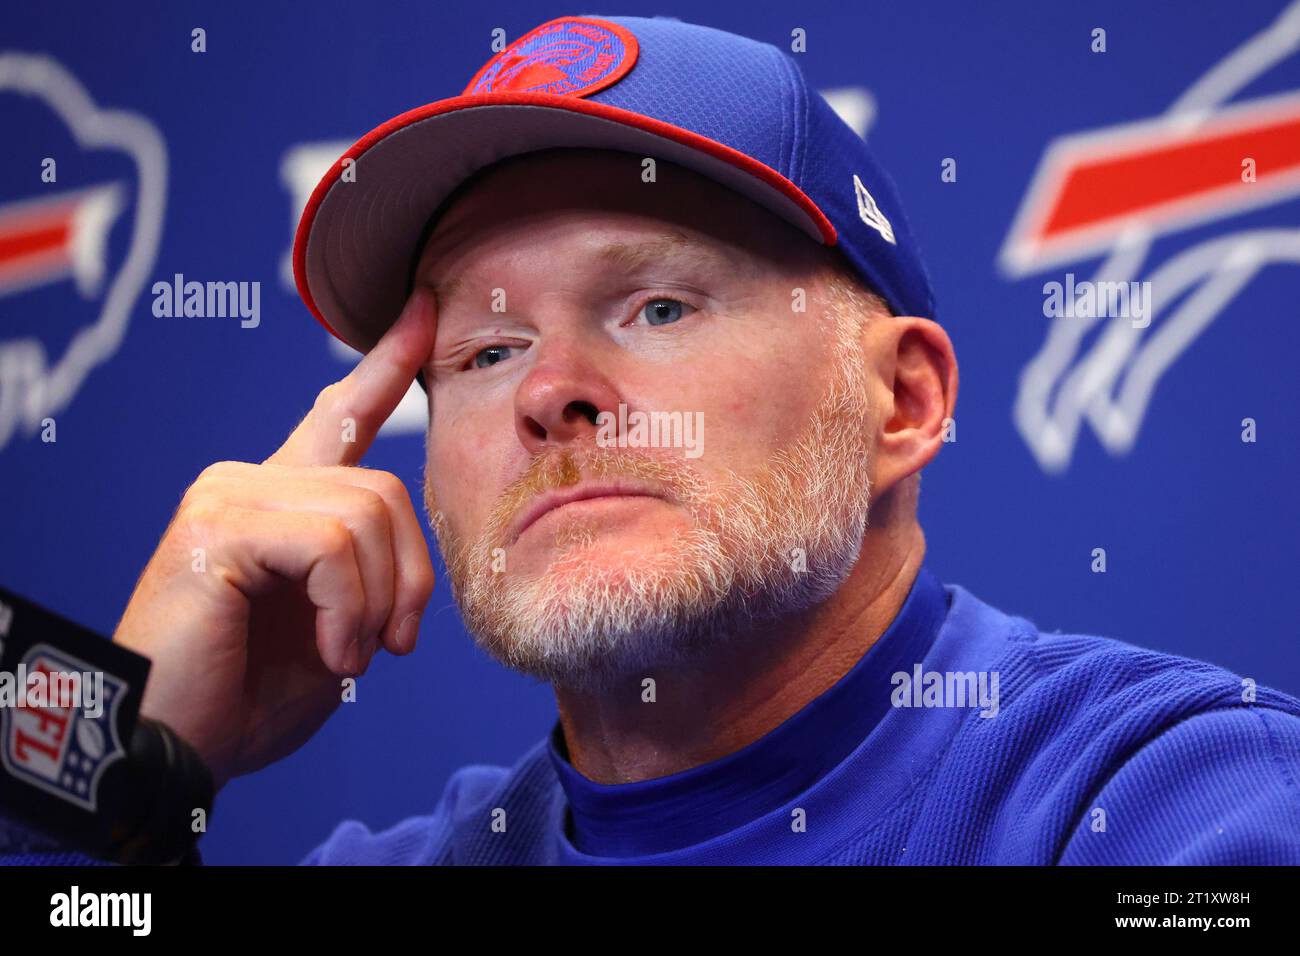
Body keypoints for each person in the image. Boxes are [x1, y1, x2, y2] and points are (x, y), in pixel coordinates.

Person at [8, 14, 1300, 866]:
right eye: (486, 349)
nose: (549, 393)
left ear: (900, 403)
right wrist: (105, 756)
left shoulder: (1166, 801)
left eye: (660, 305)